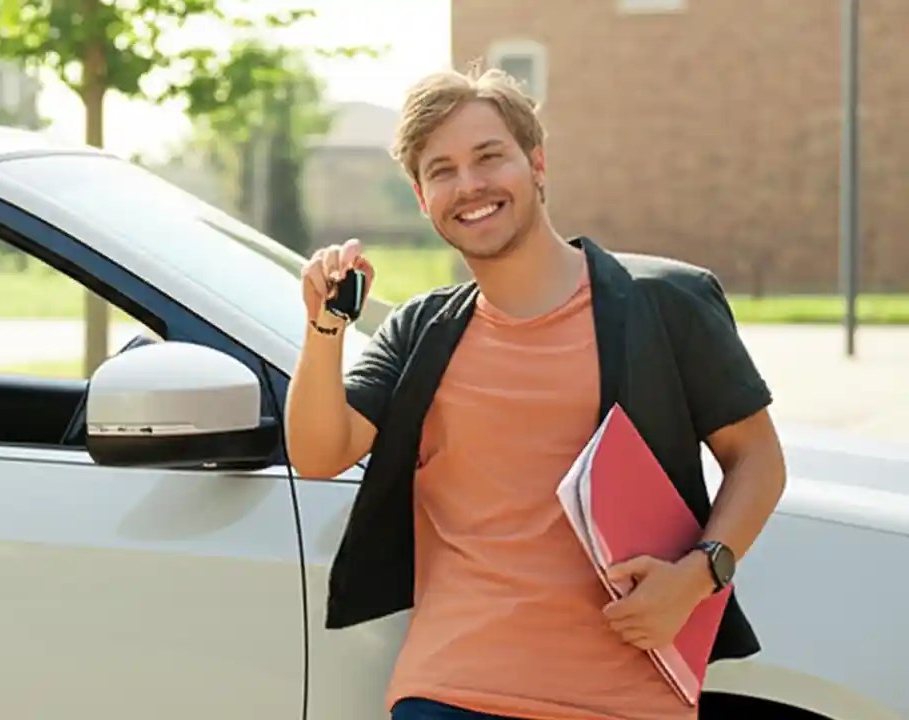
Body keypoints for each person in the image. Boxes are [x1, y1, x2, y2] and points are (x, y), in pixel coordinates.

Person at [284, 65, 788, 720]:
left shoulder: (664, 303)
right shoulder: (421, 332)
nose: (469, 185)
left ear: (537, 163)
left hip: (628, 699)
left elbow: (758, 460)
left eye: (489, 157)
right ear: (421, 197)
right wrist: (324, 325)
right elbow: (319, 452)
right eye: (441, 170)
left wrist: (698, 577)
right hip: (451, 692)